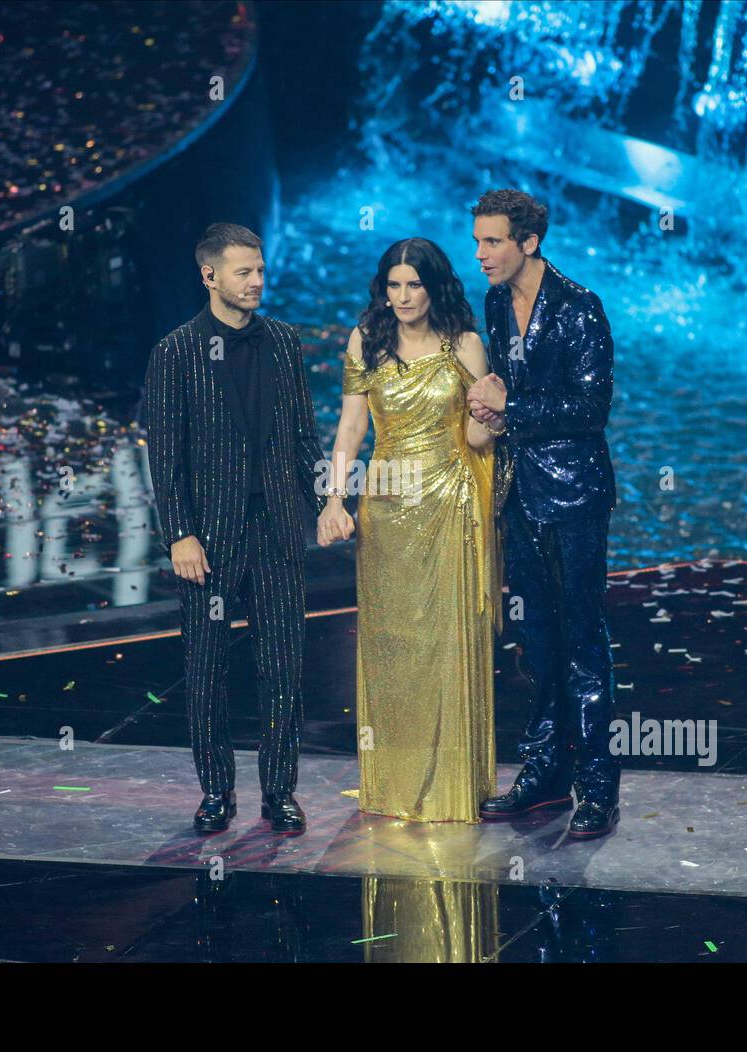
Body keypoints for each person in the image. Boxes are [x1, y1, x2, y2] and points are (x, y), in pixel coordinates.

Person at [143, 222, 325, 836]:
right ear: (210, 275)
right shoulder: (176, 351)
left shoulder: (283, 341)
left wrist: (327, 500)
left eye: (260, 270)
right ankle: (216, 791)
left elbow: (304, 437)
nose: (256, 282)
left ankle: (280, 791)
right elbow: (164, 456)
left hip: (275, 527)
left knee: (282, 664)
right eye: (244, 271)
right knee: (208, 666)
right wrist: (179, 534)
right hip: (209, 539)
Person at [318, 237, 502, 823]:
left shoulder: (467, 346)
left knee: (446, 644)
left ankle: (453, 783)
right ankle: (397, 784)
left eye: (413, 285)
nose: (402, 296)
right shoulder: (365, 342)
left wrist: (491, 416)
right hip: (388, 508)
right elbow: (350, 430)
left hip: (449, 506)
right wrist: (333, 498)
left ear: (434, 286)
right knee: (393, 646)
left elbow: (478, 440)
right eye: (393, 285)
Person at [466, 189, 621, 840]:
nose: (480, 255)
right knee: (536, 639)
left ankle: (597, 787)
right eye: (476, 242)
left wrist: (511, 412)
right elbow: (505, 381)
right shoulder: (498, 302)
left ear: (529, 242)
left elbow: (591, 411)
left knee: (583, 639)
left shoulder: (580, 307)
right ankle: (545, 770)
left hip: (574, 496)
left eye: (492, 242)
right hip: (520, 494)